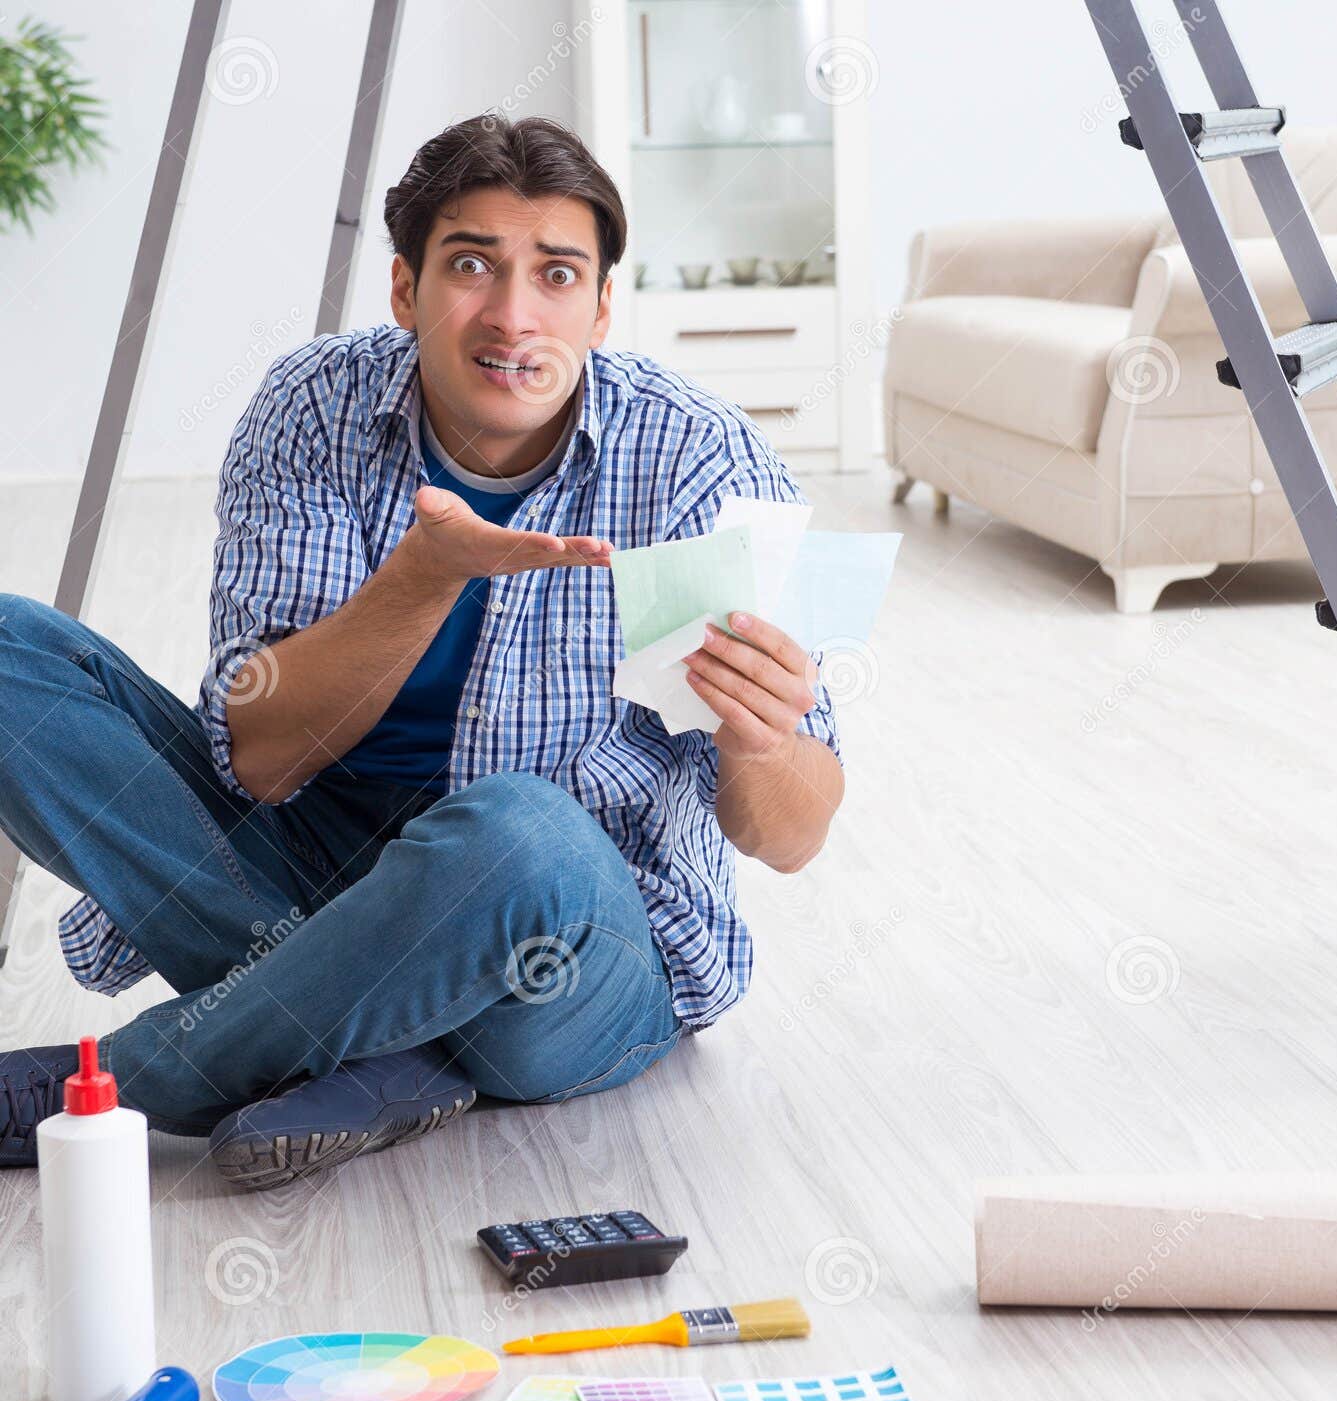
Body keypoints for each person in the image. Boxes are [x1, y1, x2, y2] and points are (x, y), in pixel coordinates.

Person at [0, 114, 843, 1191]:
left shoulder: (699, 459)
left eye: (555, 275)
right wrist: (423, 577)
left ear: (600, 307)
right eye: (471, 266)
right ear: (405, 290)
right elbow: (260, 758)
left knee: (518, 829)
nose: (511, 315)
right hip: (311, 871)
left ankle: (102, 1085)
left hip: (558, 947)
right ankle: (380, 1045)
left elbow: (796, 835)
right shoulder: (314, 408)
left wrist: (759, 739)